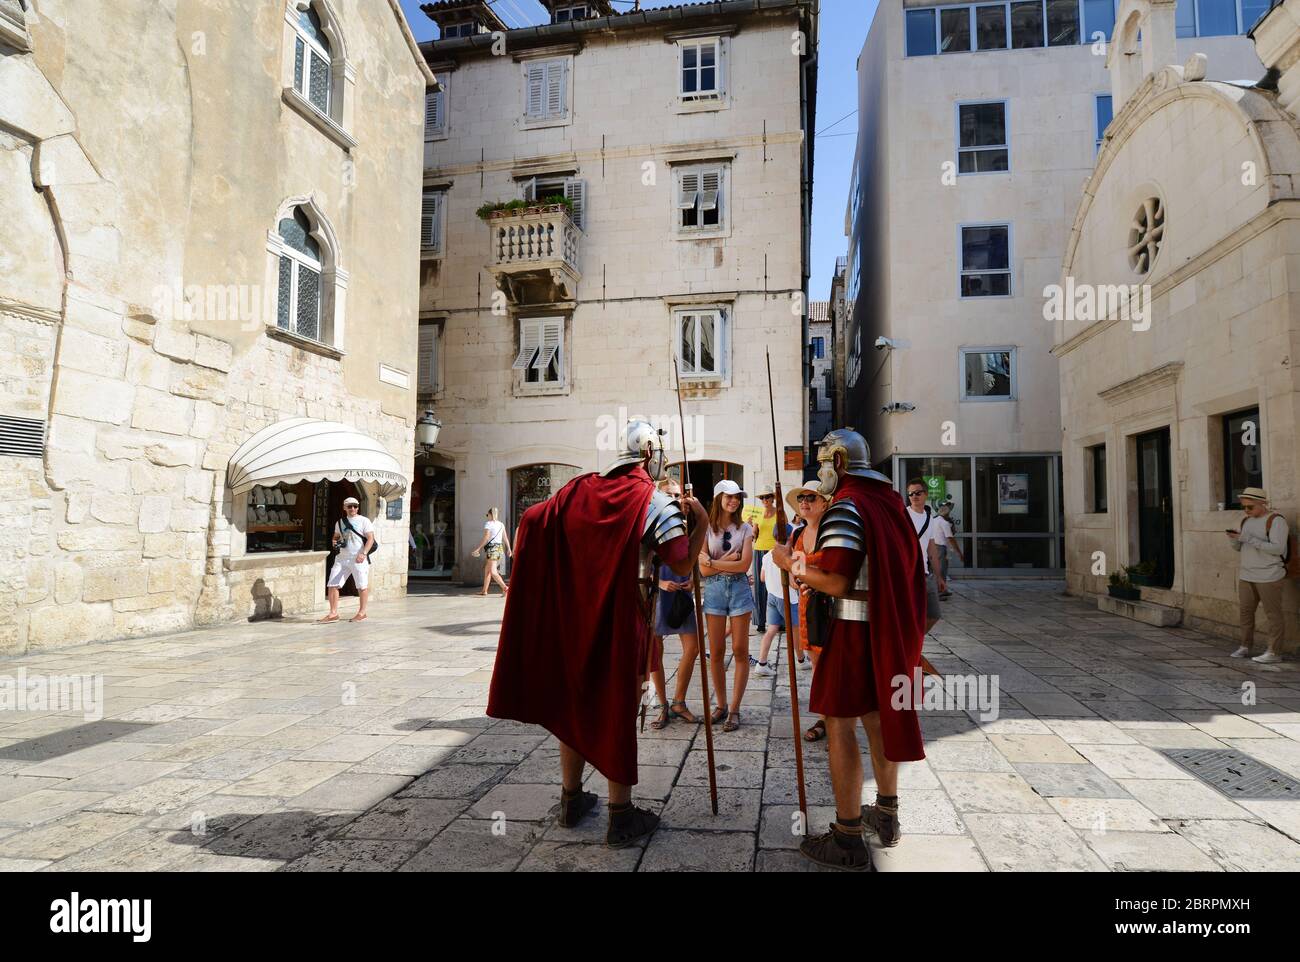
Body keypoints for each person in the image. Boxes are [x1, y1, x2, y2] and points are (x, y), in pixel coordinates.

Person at [487, 420, 709, 847]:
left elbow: (534, 518)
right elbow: (681, 564)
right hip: (624, 620)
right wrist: (697, 521)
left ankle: (571, 799)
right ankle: (620, 815)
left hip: (572, 616)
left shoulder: (575, 490)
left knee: (575, 702)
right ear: (649, 454)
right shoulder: (653, 502)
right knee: (618, 708)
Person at [772, 429, 926, 871]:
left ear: (837, 462)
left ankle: (847, 835)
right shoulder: (890, 502)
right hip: (890, 629)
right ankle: (888, 815)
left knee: (840, 723)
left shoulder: (849, 504)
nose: (822, 473)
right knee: (879, 719)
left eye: (824, 462)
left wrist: (791, 564)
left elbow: (837, 580)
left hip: (855, 631)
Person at [699, 479, 755, 733]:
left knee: (741, 649)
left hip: (739, 590)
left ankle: (734, 709)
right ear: (718, 498)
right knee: (717, 650)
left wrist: (714, 562)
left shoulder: (745, 529)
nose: (734, 501)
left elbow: (744, 566)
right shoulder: (705, 529)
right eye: (729, 496)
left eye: (737, 497)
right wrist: (727, 559)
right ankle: (721, 705)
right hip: (714, 593)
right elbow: (701, 570)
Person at [647, 478, 703, 729]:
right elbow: (639, 560)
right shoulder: (650, 521)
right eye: (670, 494)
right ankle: (661, 704)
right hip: (658, 592)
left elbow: (696, 556)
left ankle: (679, 701)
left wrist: (693, 578)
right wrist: (658, 583)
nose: (676, 499)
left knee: (693, 647)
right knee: (654, 651)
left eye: (679, 494)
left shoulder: (687, 522)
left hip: (682, 590)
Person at [785, 478, 828, 740]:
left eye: (811, 497)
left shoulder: (833, 532)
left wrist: (806, 576)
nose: (804, 502)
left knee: (832, 665)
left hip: (830, 606)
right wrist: (795, 578)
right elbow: (795, 571)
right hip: (806, 606)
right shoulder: (798, 534)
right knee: (815, 663)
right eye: (801, 498)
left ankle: (833, 719)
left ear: (824, 502)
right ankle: (824, 716)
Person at [1227, 486, 1289, 663]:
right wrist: (1233, 540)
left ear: (1262, 504)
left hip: (1269, 575)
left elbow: (1278, 548)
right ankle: (1245, 646)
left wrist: (1249, 539)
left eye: (1250, 507)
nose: (1246, 511)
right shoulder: (1245, 521)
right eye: (1244, 507)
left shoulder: (1276, 521)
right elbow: (1240, 547)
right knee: (1246, 613)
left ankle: (1274, 652)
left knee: (1273, 615)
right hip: (1246, 575)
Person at [320, 497, 375, 623]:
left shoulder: (364, 521)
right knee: (332, 584)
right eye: (350, 506)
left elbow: (370, 538)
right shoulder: (339, 522)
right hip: (342, 558)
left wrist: (364, 553)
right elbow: (336, 536)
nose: (353, 509)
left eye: (355, 506)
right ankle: (333, 613)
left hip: (358, 558)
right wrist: (334, 541)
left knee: (362, 586)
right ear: (344, 507)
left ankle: (362, 612)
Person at [904, 479, 946, 634]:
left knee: (934, 614)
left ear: (926, 495)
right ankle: (911, 646)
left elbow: (932, 550)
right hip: (908, 574)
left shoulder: (930, 518)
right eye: (911, 494)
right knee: (910, 615)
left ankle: (914, 641)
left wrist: (939, 576)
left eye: (918, 493)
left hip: (925, 573)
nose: (914, 496)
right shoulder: (903, 515)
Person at [754, 543, 798, 678]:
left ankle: (761, 663)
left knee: (771, 630)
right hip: (788, 598)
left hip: (772, 596)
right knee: (796, 630)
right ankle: (801, 660)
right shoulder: (795, 556)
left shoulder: (767, 555)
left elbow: (762, 578)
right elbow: (795, 583)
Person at [747, 486, 779, 635]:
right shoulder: (757, 514)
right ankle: (760, 622)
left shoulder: (779, 513)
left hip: (774, 552)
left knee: (776, 585)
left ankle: (779, 621)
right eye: (762, 498)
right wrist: (749, 525)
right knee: (759, 587)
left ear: (773, 498)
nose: (765, 500)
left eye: (767, 497)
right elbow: (754, 534)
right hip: (759, 550)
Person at [471, 507, 511, 596]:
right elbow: (505, 537)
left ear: (490, 514)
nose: (487, 516)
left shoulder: (488, 524)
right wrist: (509, 548)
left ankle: (505, 588)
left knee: (493, 571)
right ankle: (484, 591)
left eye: (487, 515)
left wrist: (478, 548)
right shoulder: (501, 524)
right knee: (487, 570)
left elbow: (486, 537)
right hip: (499, 548)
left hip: (492, 548)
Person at [933, 501, 964, 599]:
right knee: (942, 570)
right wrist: (959, 553)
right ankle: (939, 592)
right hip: (940, 548)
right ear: (947, 514)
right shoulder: (944, 523)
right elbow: (951, 538)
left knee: (937, 570)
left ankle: (943, 589)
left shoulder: (934, 520)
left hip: (933, 547)